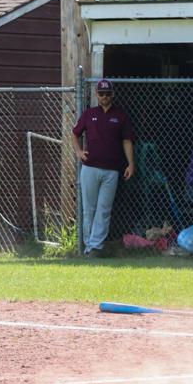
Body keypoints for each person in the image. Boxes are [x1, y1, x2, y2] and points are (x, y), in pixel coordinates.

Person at [70, 78, 135, 257]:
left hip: (112, 170)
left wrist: (131, 163)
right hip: (90, 168)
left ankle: (96, 246)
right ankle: (88, 245)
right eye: (101, 93)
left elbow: (127, 140)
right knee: (89, 207)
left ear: (112, 94)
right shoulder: (88, 114)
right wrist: (79, 152)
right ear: (96, 95)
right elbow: (74, 134)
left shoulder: (121, 116)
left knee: (104, 208)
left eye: (108, 93)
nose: (105, 96)